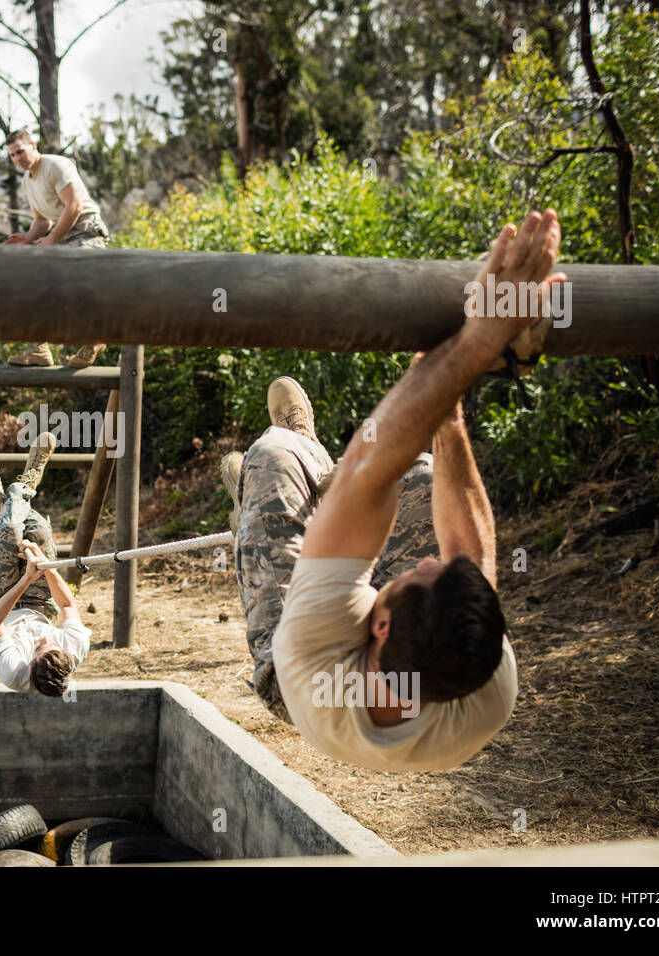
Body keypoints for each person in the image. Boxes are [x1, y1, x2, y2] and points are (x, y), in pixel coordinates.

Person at [222, 209, 566, 772]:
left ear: (377, 624)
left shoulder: (315, 649)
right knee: (424, 474)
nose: (428, 556)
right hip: (396, 660)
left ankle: (289, 466)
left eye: (418, 570)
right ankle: (320, 486)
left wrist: (479, 341)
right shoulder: (485, 679)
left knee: (270, 458)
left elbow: (369, 468)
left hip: (289, 675)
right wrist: (451, 404)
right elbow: (469, 554)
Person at [0, 433, 89, 696]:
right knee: (40, 530)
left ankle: (11, 497)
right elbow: (67, 604)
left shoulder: (14, 672)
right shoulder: (74, 647)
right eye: (52, 645)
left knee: (11, 529)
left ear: (30, 666)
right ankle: (8, 499)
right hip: (39, 603)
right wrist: (45, 565)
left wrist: (27, 579)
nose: (45, 639)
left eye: (39, 648)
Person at [3, 128, 109, 369]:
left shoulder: (55, 166)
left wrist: (51, 240)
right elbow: (42, 221)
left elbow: (75, 206)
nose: (18, 158)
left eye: (20, 151)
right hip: (61, 236)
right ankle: (39, 348)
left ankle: (95, 338)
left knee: (75, 280)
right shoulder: (27, 180)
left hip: (85, 231)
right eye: (12, 155)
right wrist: (27, 239)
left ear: (33, 145)